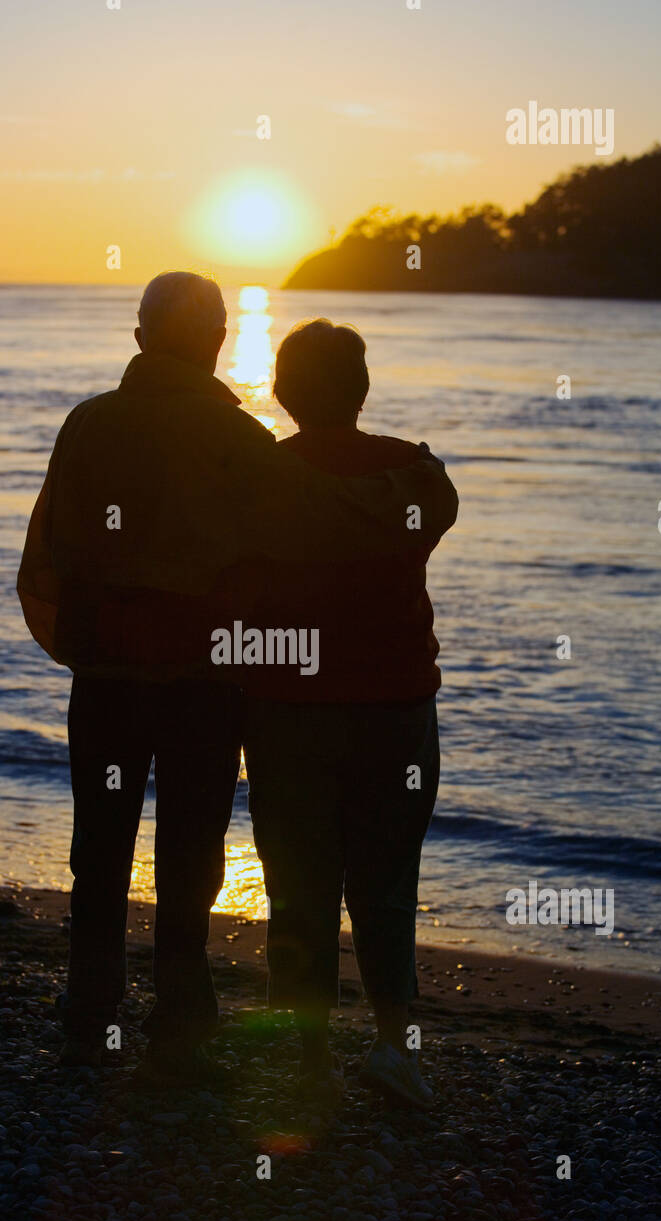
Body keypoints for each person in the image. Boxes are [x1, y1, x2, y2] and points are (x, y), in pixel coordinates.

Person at [18, 275, 456, 1083]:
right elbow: (321, 520)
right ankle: (182, 1029)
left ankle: (90, 1023)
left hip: (109, 677)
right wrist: (417, 480)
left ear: (141, 336)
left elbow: (50, 548)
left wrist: (81, 635)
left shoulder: (88, 422)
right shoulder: (237, 437)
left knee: (100, 852)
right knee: (193, 860)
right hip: (204, 682)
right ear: (217, 340)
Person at [243, 319, 458, 1107]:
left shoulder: (261, 479)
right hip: (395, 706)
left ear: (282, 392)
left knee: (297, 883)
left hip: (289, 708)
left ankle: (309, 1062)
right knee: (387, 879)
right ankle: (394, 1046)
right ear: (362, 391)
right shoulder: (417, 477)